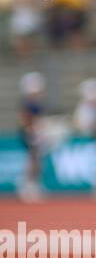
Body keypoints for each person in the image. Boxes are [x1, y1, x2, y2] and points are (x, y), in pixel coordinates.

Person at [17, 72, 46, 201]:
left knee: (36, 159)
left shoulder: (35, 102)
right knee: (33, 159)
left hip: (34, 131)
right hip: (30, 132)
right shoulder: (28, 102)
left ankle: (33, 183)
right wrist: (31, 131)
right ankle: (27, 184)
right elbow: (25, 119)